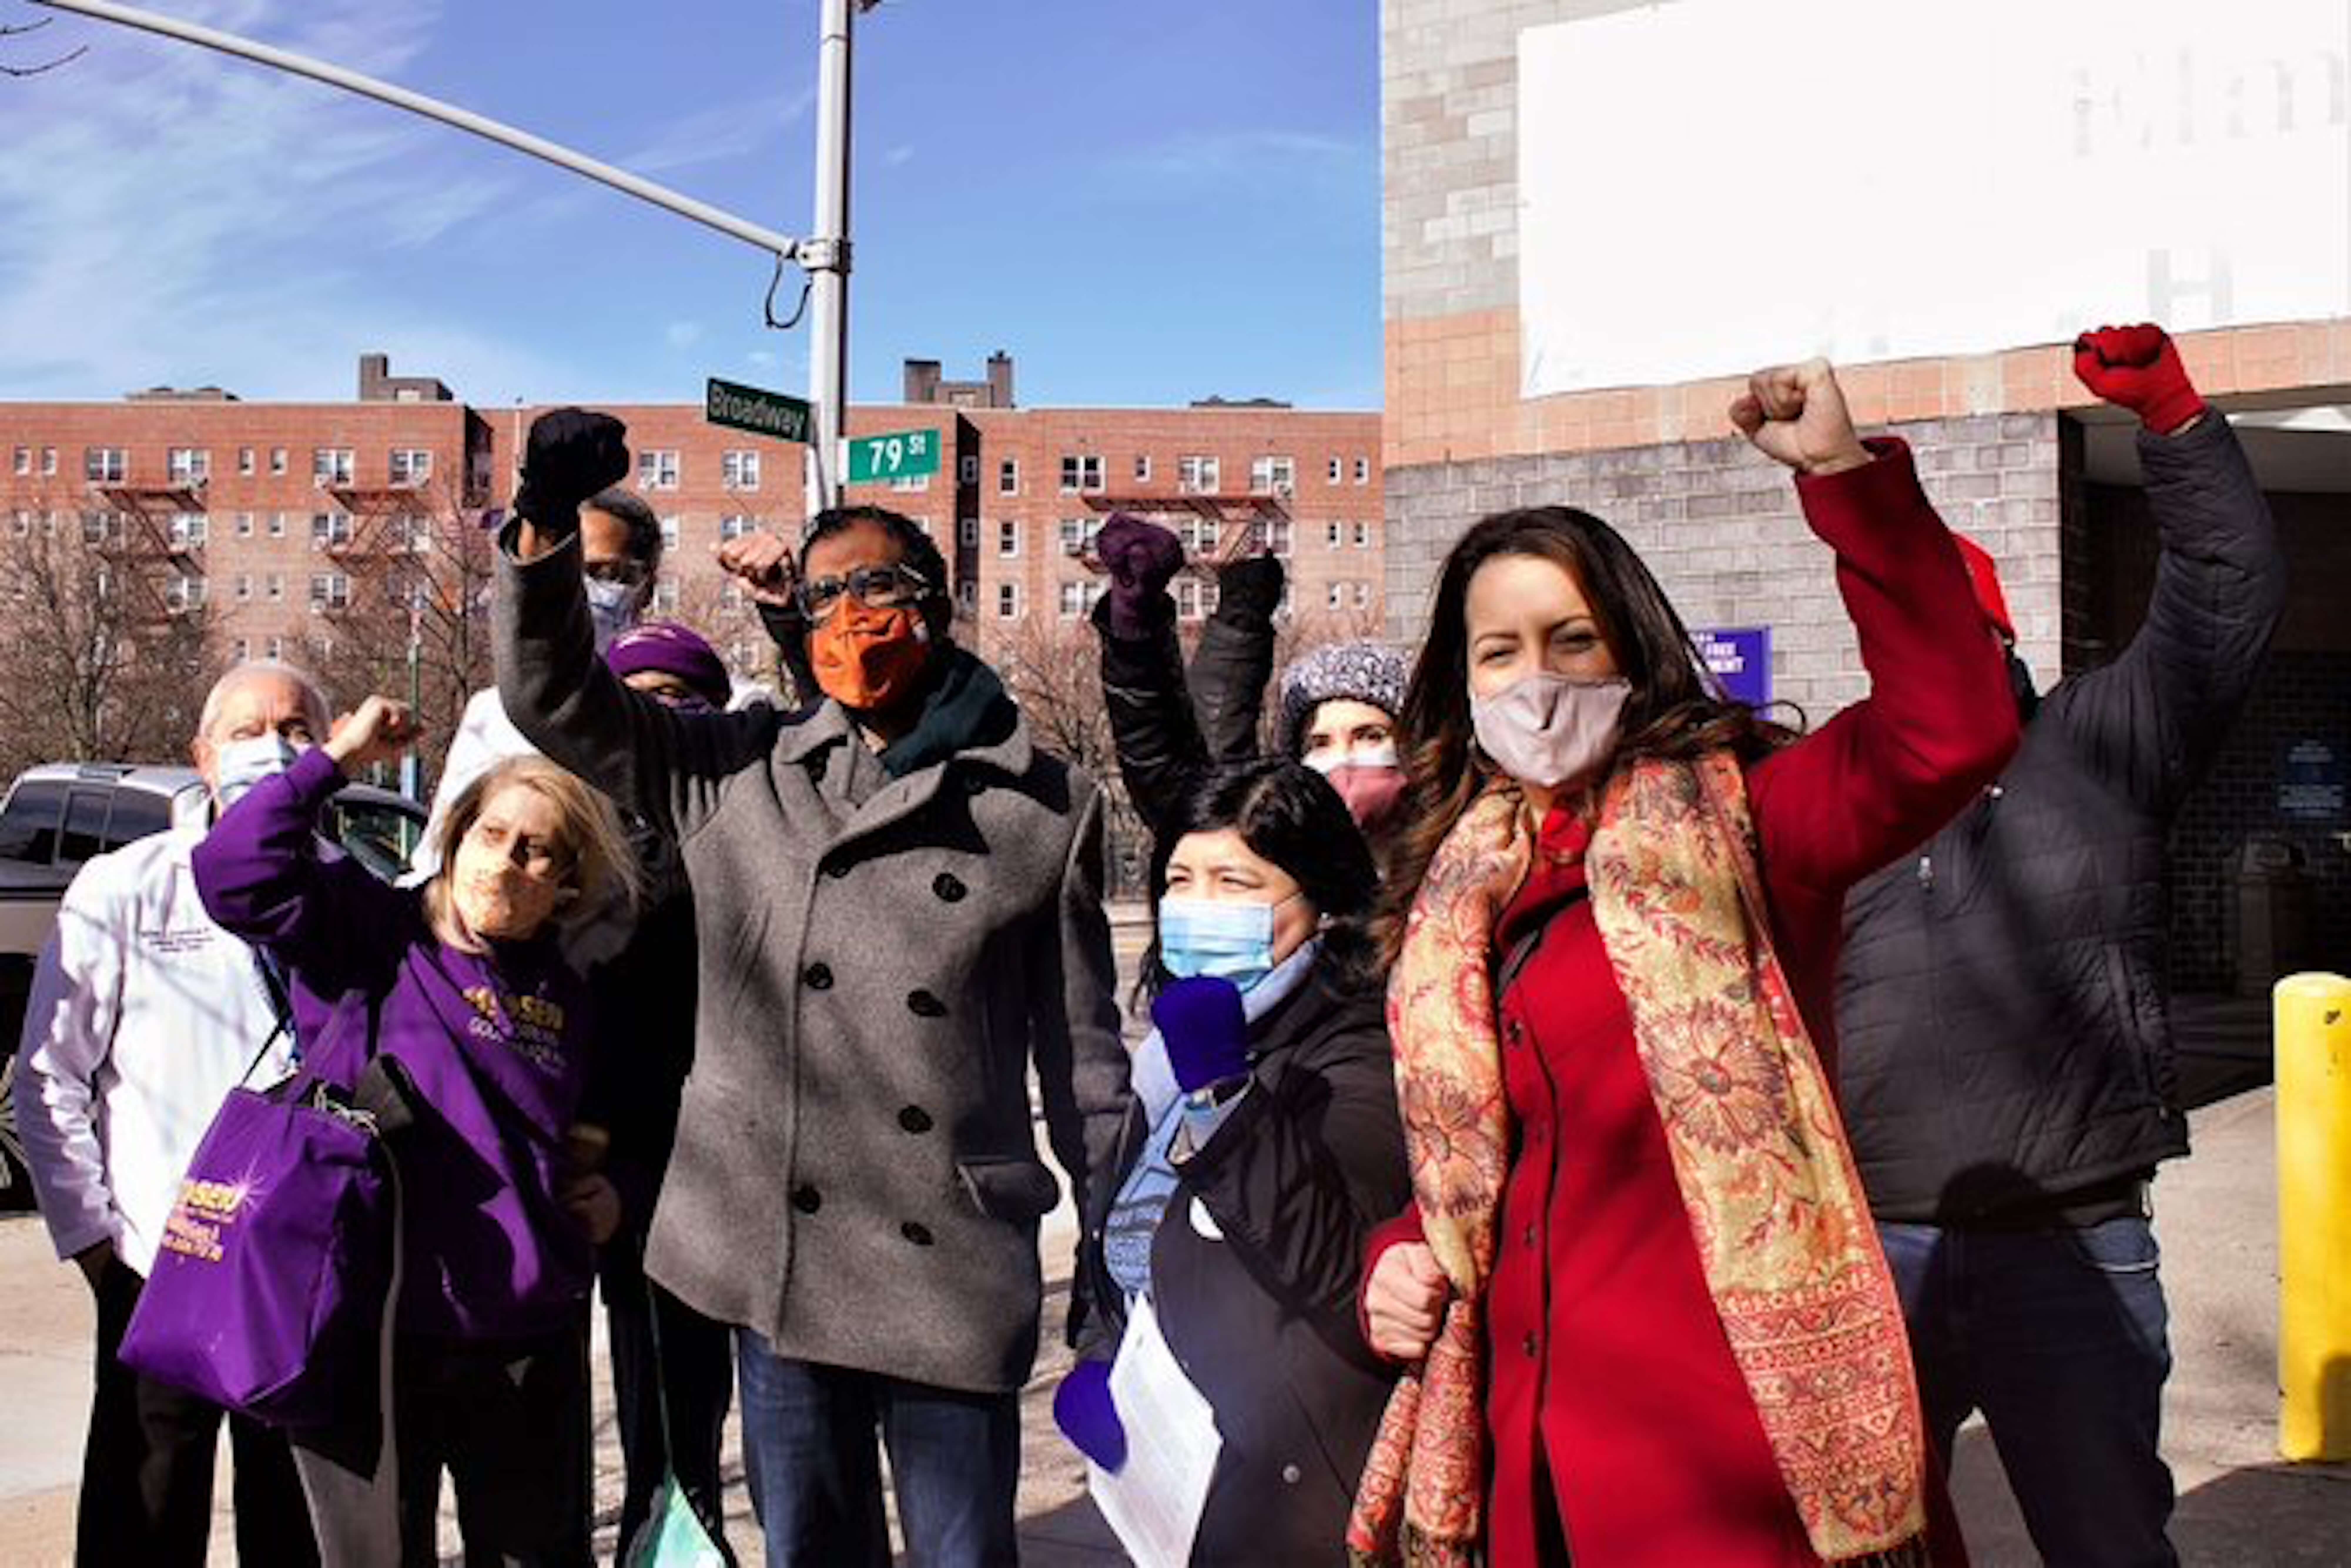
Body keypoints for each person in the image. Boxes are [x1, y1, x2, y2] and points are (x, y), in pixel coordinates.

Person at [1354, 358, 2018, 1566]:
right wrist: (1395, 1249)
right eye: (1498, 651)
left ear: (1633, 647)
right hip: (1521, 1464)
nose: (1535, 679)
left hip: (1726, 1477)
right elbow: (1483, 1162)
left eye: (1571, 639)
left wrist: (1844, 480)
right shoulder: (1452, 884)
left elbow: (1949, 731)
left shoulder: (1745, 818)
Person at [493, 409, 1130, 1568]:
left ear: (934, 607)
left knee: (959, 1554)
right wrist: (539, 526)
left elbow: (1081, 1056)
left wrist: (1107, 1255)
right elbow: (555, 700)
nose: (852, 614)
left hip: (951, 1261)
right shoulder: (733, 767)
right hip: (777, 1259)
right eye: (825, 592)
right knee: (813, 1552)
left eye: (878, 584)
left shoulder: (1043, 804)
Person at [1835, 323, 2287, 1567]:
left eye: (1956, 635)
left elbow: (2223, 598)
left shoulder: (2101, 737)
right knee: (1865, 1548)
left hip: (2070, 1241)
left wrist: (2177, 425)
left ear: (2002, 640)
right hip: (1874, 1250)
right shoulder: (1837, 791)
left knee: (2104, 1541)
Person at [192, 697, 635, 1566]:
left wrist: (611, 1194)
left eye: (535, 850)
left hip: (520, 1338)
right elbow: (234, 871)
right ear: (456, 836)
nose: (505, 862)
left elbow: (605, 1123)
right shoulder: (369, 935)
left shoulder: (568, 994)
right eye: (491, 834)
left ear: (566, 885)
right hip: (372, 1335)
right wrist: (336, 759)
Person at [1051, 759, 1410, 1563]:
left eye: (1236, 883)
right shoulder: (1162, 1063)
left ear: (1318, 905)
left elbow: (1333, 1264)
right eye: (1180, 879)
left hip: (1295, 1502)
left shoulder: (1357, 1047)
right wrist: (1096, 1361)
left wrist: (1226, 1097)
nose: (1199, 908)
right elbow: (1127, 1238)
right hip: (1182, 1495)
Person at [14, 660, 327, 1568]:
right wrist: (95, 1245)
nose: (274, 747)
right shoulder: (126, 888)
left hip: (300, 1273)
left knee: (295, 1522)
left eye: (300, 728)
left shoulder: (348, 893)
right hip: (159, 1264)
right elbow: (50, 1078)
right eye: (246, 730)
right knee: (143, 1515)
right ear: (201, 755)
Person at [590, 621, 741, 1563]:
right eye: (637, 694)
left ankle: (689, 1534)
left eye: (680, 697)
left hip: (730, 1147)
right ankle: (656, 1535)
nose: (659, 714)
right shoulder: (570, 835)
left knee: (703, 1378)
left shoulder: (738, 824)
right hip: (613, 1154)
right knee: (640, 1364)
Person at [1090, 513, 1412, 849]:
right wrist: (1134, 626)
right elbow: (1177, 777)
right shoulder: (1272, 850)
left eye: (1370, 737)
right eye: (1319, 744)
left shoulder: (1457, 850)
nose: (1344, 762)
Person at [411, 484, 664, 889]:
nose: (584, 589)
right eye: (572, 569)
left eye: (606, 573)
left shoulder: (662, 717)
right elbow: (438, 860)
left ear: (647, 586)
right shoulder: (492, 714)